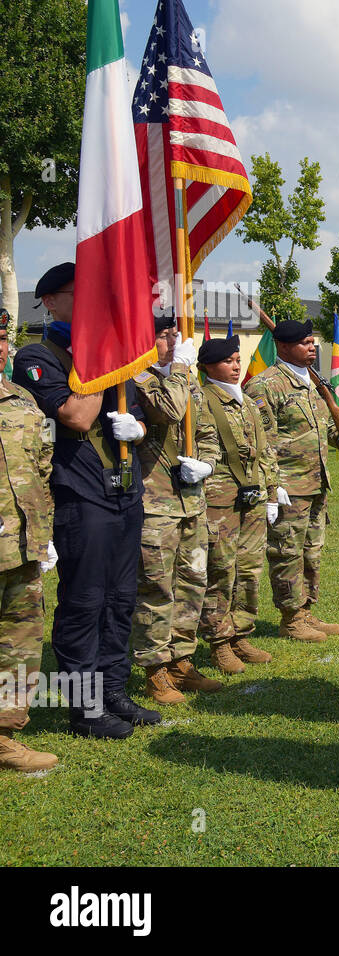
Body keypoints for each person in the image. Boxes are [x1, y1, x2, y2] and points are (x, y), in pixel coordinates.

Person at [12, 261, 159, 738]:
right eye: (82, 295)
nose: (94, 305)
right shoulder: (39, 355)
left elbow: (137, 414)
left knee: (120, 599)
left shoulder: (115, 357)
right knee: (84, 601)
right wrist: (96, 362)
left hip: (123, 490)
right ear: (50, 300)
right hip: (79, 495)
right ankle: (86, 706)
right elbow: (74, 416)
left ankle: (113, 690)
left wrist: (134, 428)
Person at [245, 320, 339, 643]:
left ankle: (306, 609)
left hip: (315, 483)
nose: (312, 347)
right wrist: (272, 485)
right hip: (288, 487)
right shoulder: (264, 386)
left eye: (313, 342)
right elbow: (260, 441)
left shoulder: (308, 383)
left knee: (311, 551)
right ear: (283, 347)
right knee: (286, 552)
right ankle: (291, 618)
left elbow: (318, 430)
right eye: (305, 343)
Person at [128, 315, 223, 703]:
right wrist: (181, 367)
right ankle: (155, 669)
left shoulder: (188, 382)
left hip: (192, 501)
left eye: (174, 334)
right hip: (156, 503)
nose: (171, 340)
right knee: (156, 586)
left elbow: (207, 432)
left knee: (192, 583)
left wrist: (209, 463)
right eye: (162, 334)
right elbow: (169, 410)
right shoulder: (138, 380)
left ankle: (181, 659)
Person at [0, 307, 60, 770]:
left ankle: (5, 737)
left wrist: (43, 533)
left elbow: (41, 470)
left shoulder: (21, 400)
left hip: (22, 547)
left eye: (2, 340)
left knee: (20, 641)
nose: (1, 349)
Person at [196, 335, 277, 673]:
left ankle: (241, 632)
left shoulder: (244, 400)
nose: (235, 365)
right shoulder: (201, 400)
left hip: (253, 493)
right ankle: (219, 641)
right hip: (219, 497)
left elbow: (265, 446)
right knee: (221, 568)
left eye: (236, 359)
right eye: (227, 361)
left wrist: (272, 489)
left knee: (249, 567)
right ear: (207, 366)